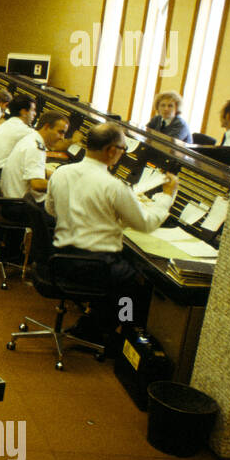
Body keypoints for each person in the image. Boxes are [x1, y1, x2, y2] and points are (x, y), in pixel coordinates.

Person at [46, 122, 179, 342]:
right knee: (135, 281)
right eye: (123, 149)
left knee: (120, 266)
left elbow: (51, 210)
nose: (121, 154)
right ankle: (120, 332)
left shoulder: (61, 173)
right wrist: (167, 196)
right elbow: (147, 223)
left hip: (59, 257)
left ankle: (92, 324)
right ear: (111, 150)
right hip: (92, 265)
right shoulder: (114, 187)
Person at [0, 110, 69, 202]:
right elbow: (37, 184)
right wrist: (66, 187)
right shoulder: (35, 148)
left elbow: (34, 168)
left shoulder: (31, 138)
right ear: (47, 127)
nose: (62, 138)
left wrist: (58, 176)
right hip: (20, 205)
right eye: (60, 132)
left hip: (12, 198)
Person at [0, 94, 36, 169]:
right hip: (1, 173)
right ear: (23, 112)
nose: (35, 114)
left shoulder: (6, 124)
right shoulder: (24, 130)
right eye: (33, 110)